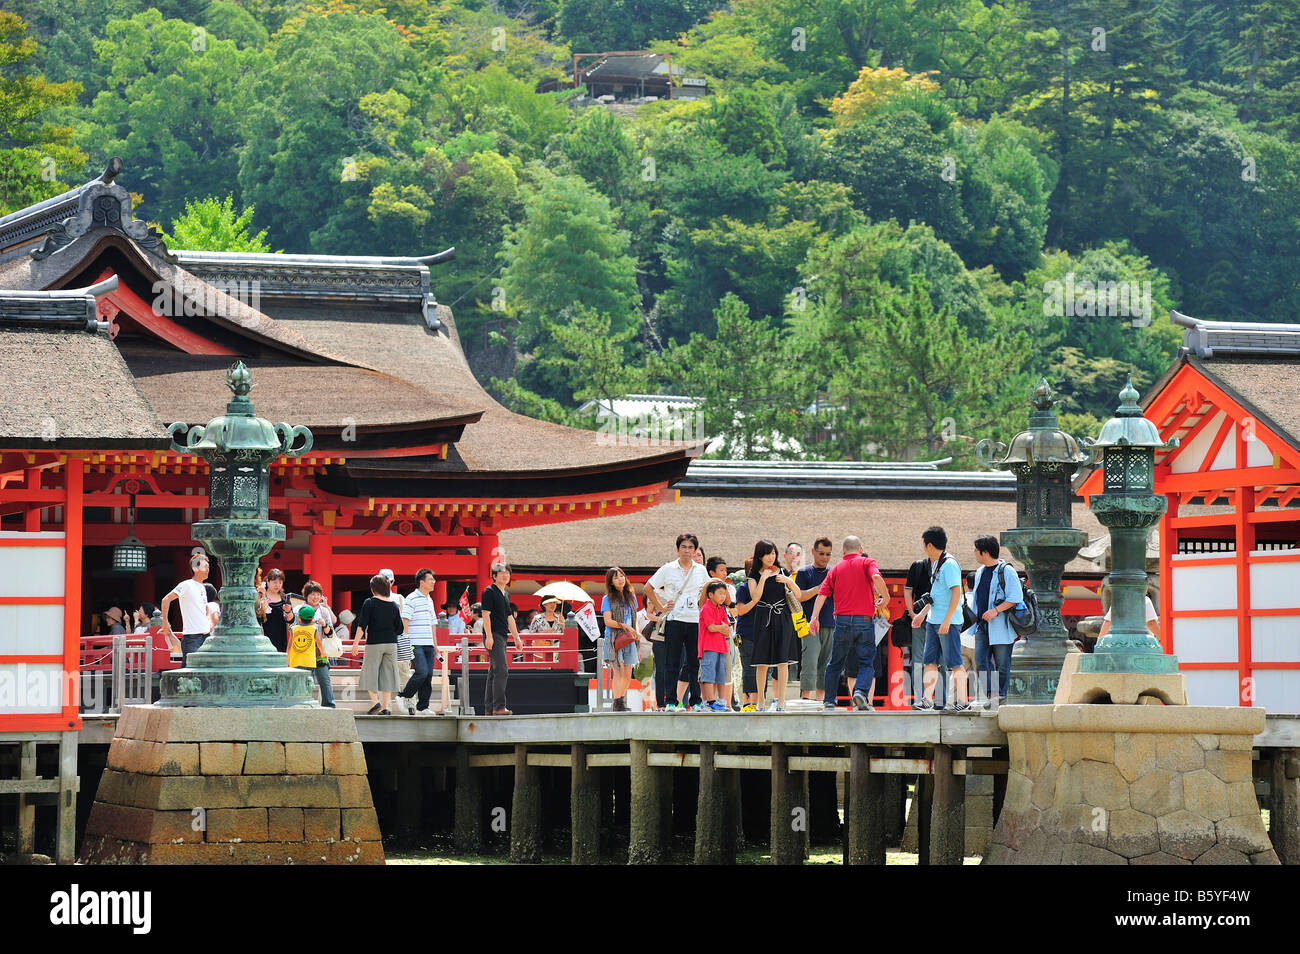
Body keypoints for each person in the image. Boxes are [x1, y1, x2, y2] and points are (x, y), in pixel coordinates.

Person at [809, 536, 889, 711]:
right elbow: (876, 576)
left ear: (843, 551)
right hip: (864, 620)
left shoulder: (835, 569)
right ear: (860, 550)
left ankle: (829, 700)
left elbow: (822, 594)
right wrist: (886, 597)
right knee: (867, 662)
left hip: (842, 621)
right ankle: (860, 692)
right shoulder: (867, 562)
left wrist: (814, 618)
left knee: (835, 662)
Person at [644, 533, 711, 710]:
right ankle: (671, 700)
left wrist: (700, 605)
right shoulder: (668, 568)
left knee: (693, 662)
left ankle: (695, 700)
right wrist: (661, 606)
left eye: (691, 547)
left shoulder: (701, 570)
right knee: (671, 662)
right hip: (674, 619)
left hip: (694, 620)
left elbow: (707, 591)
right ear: (677, 549)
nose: (687, 551)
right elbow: (648, 587)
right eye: (684, 547)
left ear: (695, 550)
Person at [914, 526, 969, 711]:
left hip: (949, 622)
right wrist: (922, 614)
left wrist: (946, 620)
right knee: (930, 661)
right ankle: (926, 699)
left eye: (923, 544)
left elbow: (956, 594)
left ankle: (962, 702)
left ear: (929, 544)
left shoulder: (950, 564)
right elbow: (935, 595)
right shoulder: (937, 562)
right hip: (933, 620)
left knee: (954, 662)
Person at [747, 540, 802, 712]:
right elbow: (755, 598)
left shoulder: (783, 572)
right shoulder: (753, 574)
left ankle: (781, 701)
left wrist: (788, 580)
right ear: (759, 556)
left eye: (773, 553)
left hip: (783, 618)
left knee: (783, 661)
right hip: (763, 618)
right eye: (767, 553)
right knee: (761, 662)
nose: (771, 557)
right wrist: (763, 578)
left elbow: (798, 595)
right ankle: (761, 701)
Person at [972, 535, 1024, 707]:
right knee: (980, 660)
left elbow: (1016, 597)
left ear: (984, 552)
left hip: (1001, 625)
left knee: (1002, 663)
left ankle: (1001, 695)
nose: (974, 553)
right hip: (981, 625)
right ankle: (991, 694)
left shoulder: (1006, 570)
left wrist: (995, 611)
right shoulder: (980, 572)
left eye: (976, 550)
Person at [795, 537, 837, 702]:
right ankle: (806, 699)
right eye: (821, 553)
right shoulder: (804, 572)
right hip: (809, 625)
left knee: (827, 666)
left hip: (831, 624)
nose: (825, 557)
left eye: (828, 554)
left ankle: (822, 702)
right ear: (813, 552)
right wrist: (819, 589)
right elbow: (799, 597)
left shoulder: (834, 572)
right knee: (810, 662)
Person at [353, 574, 402, 715]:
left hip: (374, 642)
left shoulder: (370, 603)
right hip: (391, 644)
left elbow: (361, 625)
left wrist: (355, 644)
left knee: (370, 672)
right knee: (387, 675)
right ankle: (386, 708)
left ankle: (375, 702)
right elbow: (399, 629)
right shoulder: (394, 605)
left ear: (373, 588)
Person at [159, 552, 212, 667]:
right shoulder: (186, 585)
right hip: (192, 636)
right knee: (189, 672)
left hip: (206, 635)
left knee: (204, 671)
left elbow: (205, 610)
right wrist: (165, 622)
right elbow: (166, 599)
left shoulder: (203, 587)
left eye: (208, 567)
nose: (208, 569)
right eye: (205, 566)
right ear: (195, 568)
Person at [398, 568, 438, 716]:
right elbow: (405, 620)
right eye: (431, 580)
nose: (434, 582)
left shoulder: (430, 599)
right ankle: (404, 695)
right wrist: (407, 641)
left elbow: (433, 622)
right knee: (421, 672)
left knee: (428, 676)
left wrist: (436, 644)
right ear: (422, 582)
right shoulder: (411, 598)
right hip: (415, 642)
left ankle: (423, 706)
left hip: (429, 643)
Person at [601, 567, 641, 711]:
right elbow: (607, 621)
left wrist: (636, 630)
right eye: (616, 577)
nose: (620, 579)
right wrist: (624, 626)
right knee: (618, 670)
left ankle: (621, 700)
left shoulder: (631, 596)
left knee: (628, 671)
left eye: (622, 576)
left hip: (629, 638)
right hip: (614, 638)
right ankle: (617, 701)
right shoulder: (607, 599)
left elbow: (634, 617)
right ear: (611, 582)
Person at [481, 563, 517, 715]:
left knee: (494, 672)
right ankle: (499, 707)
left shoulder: (505, 594)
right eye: (501, 573)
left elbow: (509, 617)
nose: (505, 575)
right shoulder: (489, 591)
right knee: (502, 670)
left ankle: (490, 709)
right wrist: (489, 636)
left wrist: (517, 637)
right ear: (494, 576)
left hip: (502, 635)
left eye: (507, 573)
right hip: (493, 634)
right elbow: (485, 614)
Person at [379, 568, 413, 714]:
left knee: (405, 673)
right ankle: (385, 706)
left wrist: (406, 637)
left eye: (388, 580)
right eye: (382, 579)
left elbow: (406, 620)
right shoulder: (374, 599)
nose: (386, 583)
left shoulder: (399, 598)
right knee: (384, 674)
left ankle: (410, 704)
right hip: (382, 640)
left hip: (399, 639)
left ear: (393, 581)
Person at [698, 580, 733, 711]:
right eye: (720, 593)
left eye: (724, 594)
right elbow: (711, 628)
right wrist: (721, 627)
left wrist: (720, 627)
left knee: (721, 675)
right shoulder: (706, 608)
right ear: (711, 595)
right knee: (708, 675)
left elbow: (727, 628)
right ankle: (710, 702)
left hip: (721, 647)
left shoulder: (721, 609)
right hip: (708, 647)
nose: (723, 596)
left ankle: (721, 702)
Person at [300, 581, 335, 708]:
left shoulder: (324, 612)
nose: (315, 597)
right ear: (306, 596)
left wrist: (324, 625)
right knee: (304, 682)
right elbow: (292, 629)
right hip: (303, 652)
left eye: (318, 594)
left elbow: (330, 633)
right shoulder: (299, 610)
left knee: (325, 681)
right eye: (312, 594)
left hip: (321, 652)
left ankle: (329, 706)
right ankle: (303, 705)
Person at [733, 557, 759, 710]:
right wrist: (755, 600)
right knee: (749, 668)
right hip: (746, 633)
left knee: (761, 667)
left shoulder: (763, 589)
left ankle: (758, 701)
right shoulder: (743, 588)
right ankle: (748, 702)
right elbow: (740, 610)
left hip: (762, 634)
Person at [257, 567, 291, 653]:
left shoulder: (285, 598)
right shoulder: (260, 596)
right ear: (267, 581)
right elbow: (260, 614)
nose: (278, 585)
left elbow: (291, 620)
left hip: (281, 637)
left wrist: (288, 611)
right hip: (265, 635)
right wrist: (263, 595)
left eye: (280, 582)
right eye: (275, 582)